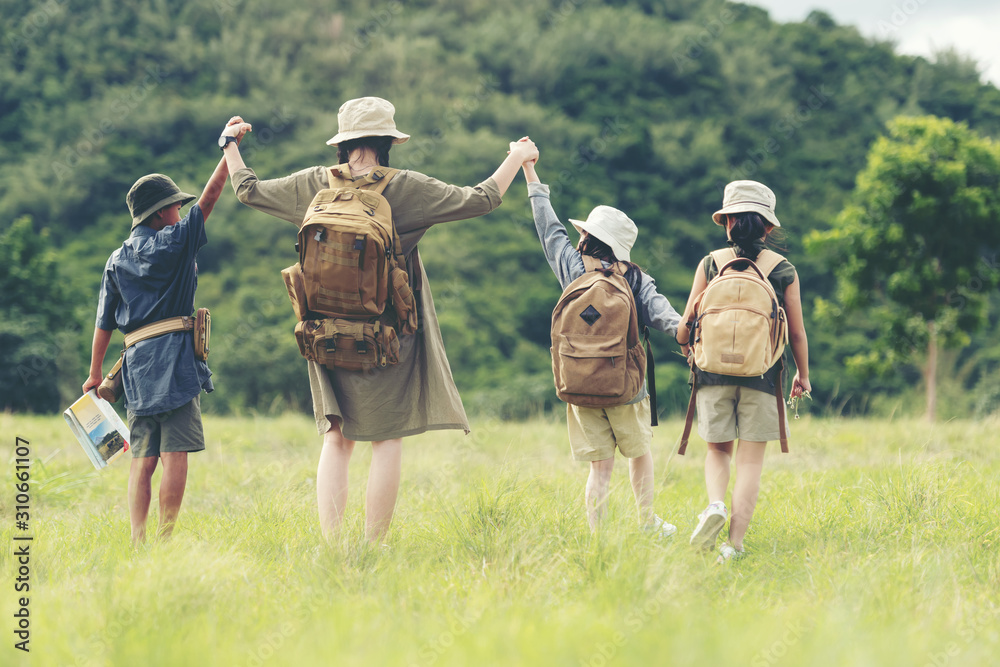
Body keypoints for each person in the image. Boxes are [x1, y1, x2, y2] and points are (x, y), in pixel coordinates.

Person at [218, 97, 538, 542]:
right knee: (386, 440)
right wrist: (517, 156)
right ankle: (374, 546)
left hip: (324, 332)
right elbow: (483, 198)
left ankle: (333, 546)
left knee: (336, 438)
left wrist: (230, 143)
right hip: (388, 335)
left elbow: (247, 189)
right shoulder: (407, 188)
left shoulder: (315, 183)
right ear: (389, 141)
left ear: (342, 143)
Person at [83, 117, 247, 545]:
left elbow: (104, 321)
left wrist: (95, 374)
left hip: (135, 368)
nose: (181, 210)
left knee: (142, 458)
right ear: (160, 214)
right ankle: (165, 539)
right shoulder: (175, 241)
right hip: (174, 363)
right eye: (175, 205)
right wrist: (227, 149)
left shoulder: (115, 259)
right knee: (176, 455)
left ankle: (138, 541)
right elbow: (209, 201)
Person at [521, 155, 680, 536]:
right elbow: (666, 318)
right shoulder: (636, 280)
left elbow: (548, 228)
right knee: (639, 455)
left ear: (587, 239)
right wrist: (689, 334)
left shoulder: (573, 270)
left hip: (579, 387)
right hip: (626, 388)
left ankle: (598, 536)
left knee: (600, 468)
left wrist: (530, 172)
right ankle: (646, 523)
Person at [675, 180, 811, 562]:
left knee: (718, 451)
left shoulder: (711, 263)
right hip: (763, 377)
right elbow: (797, 332)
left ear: (727, 222)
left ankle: (715, 505)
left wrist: (690, 350)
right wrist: (803, 375)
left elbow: (685, 325)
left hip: (711, 375)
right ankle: (733, 546)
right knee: (751, 461)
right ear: (768, 227)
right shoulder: (783, 269)